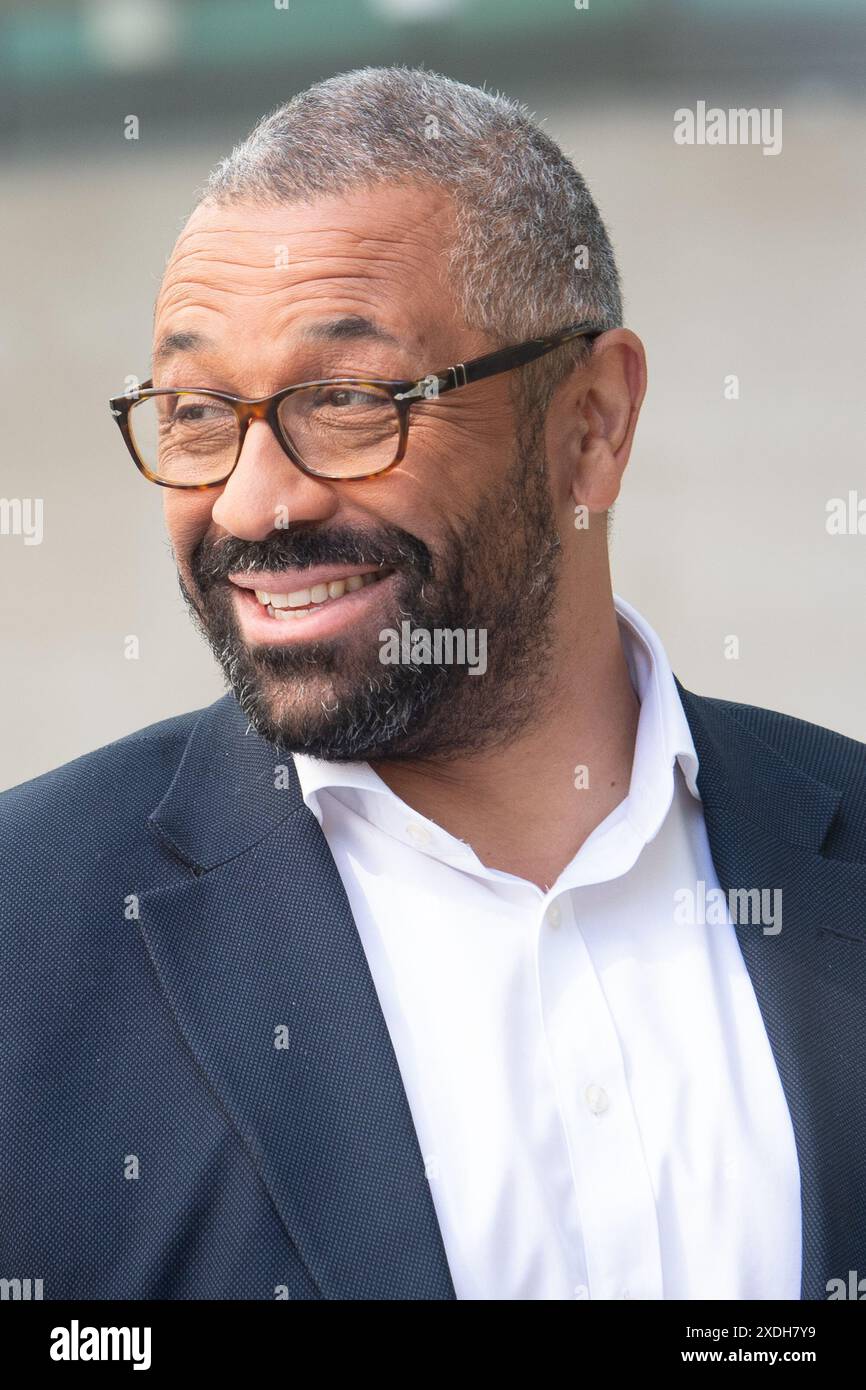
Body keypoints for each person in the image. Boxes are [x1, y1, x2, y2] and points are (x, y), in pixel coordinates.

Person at [1, 67, 863, 1302]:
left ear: (591, 423)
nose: (253, 503)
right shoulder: (26, 943)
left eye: (348, 401)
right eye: (196, 413)